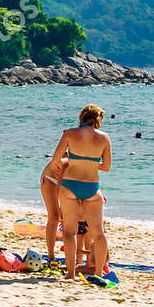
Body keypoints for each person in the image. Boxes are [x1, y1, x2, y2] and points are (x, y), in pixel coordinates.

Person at [47, 104, 112, 281]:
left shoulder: (69, 133)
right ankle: (98, 273)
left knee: (69, 231)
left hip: (70, 184)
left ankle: (70, 273)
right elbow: (106, 167)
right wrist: (90, 162)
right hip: (92, 186)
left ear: (81, 117)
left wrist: (72, 161)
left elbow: (55, 160)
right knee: (98, 233)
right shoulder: (104, 138)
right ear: (98, 120)